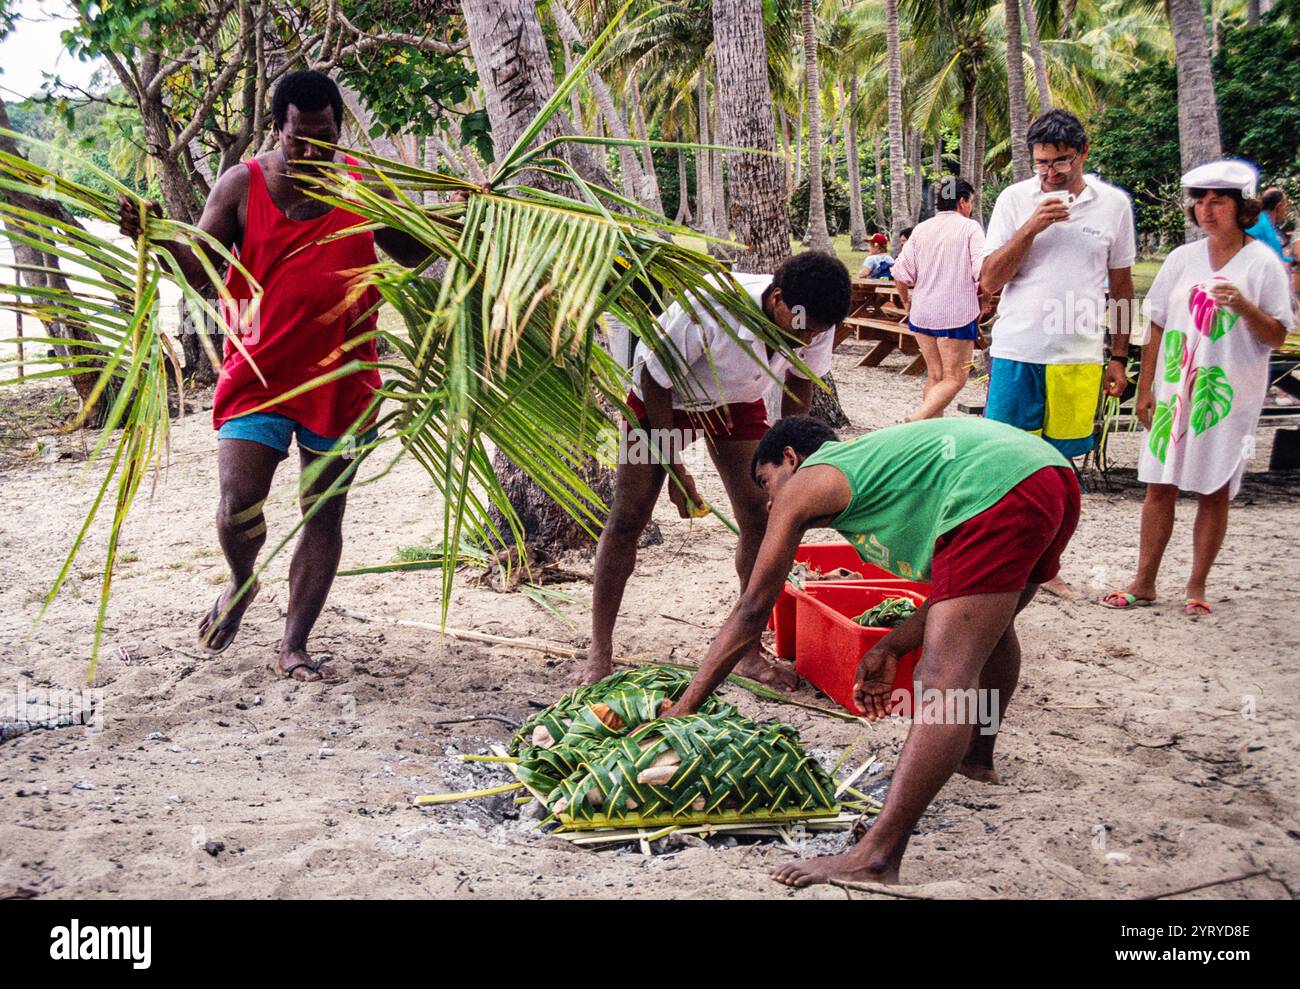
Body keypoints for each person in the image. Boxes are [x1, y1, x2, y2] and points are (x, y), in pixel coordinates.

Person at [660, 415, 1080, 887]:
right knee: (995, 632)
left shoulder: (813, 478)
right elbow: (959, 597)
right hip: (1048, 474)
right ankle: (976, 759)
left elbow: (754, 607)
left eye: (767, 481)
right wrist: (894, 645)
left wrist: (685, 705)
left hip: (997, 483)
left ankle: (878, 855)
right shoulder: (871, 469)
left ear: (791, 460)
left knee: (943, 677)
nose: (770, 499)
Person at [118, 71, 428, 681]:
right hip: (258, 373)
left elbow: (414, 253)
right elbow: (202, 270)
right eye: (298, 140)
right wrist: (157, 238)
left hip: (345, 379)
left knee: (323, 512)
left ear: (340, 129)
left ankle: (294, 644)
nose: (312, 152)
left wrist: (455, 218)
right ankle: (241, 580)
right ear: (276, 130)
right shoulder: (242, 185)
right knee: (238, 502)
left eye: (325, 137)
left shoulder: (367, 187)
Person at [577, 253, 852, 687]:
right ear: (778, 299)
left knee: (761, 518)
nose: (811, 337)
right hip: (664, 399)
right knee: (629, 516)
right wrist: (675, 467)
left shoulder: (814, 315)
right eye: (805, 329)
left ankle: (748, 650)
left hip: (737, 400)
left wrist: (787, 458)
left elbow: (801, 380)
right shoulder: (709, 305)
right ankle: (600, 650)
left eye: (819, 331)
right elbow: (654, 380)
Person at [1101, 161, 1292, 617]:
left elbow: (1277, 335)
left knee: (1214, 487)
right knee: (1159, 484)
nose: (1206, 210)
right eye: (1200, 201)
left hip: (1229, 392)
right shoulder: (1182, 259)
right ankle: (1144, 581)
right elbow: (1159, 322)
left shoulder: (1263, 262)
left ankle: (1196, 585)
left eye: (1218, 201)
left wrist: (1244, 305)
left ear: (1241, 207)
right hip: (1173, 388)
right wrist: (1144, 387)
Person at [980, 109, 1135, 460]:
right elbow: (989, 280)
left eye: (1061, 163)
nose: (1050, 173)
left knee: (1061, 465)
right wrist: (1031, 228)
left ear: (1084, 152)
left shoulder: (1114, 204)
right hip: (1018, 350)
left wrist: (1120, 356)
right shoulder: (1014, 199)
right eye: (1041, 164)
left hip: (1079, 355)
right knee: (1005, 458)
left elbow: (1123, 288)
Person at [892, 177, 984, 420]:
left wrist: (906, 303)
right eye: (970, 202)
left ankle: (930, 434)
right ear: (962, 201)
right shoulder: (970, 228)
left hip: (922, 312)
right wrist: (985, 300)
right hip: (957, 313)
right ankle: (916, 420)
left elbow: (900, 272)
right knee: (955, 378)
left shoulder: (921, 229)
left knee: (935, 375)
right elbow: (982, 272)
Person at [1245, 187, 1290, 265]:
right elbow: (1277, 260)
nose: (1285, 212)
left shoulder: (1260, 220)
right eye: (1285, 207)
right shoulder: (1266, 228)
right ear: (1278, 206)